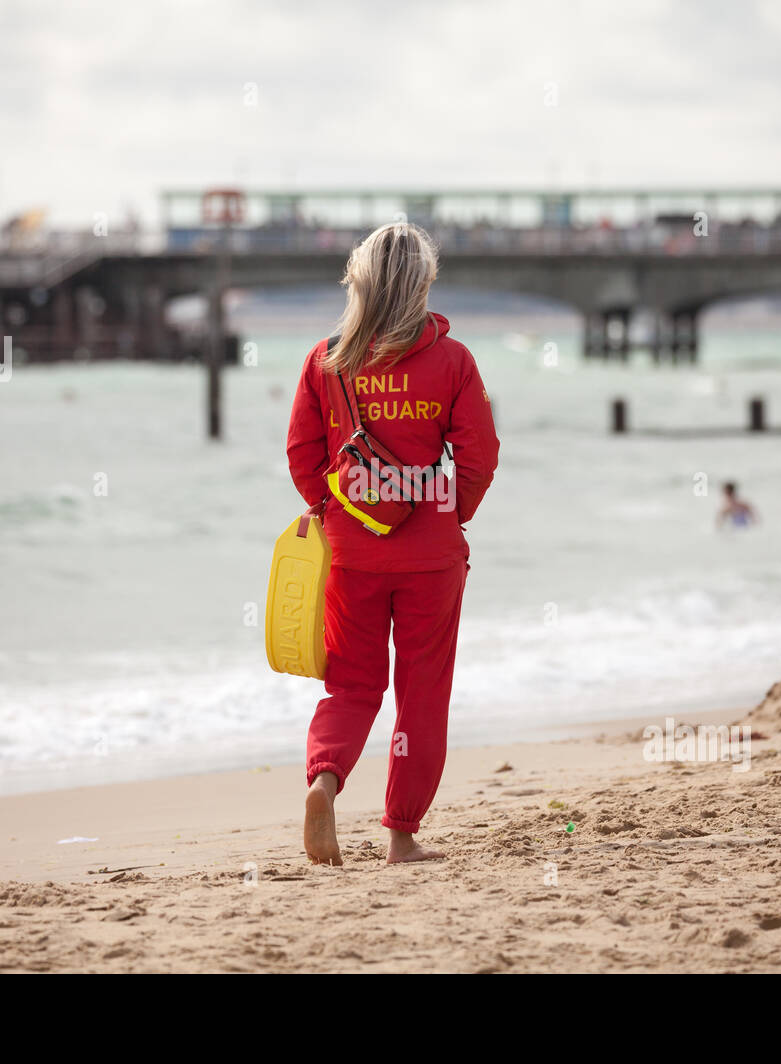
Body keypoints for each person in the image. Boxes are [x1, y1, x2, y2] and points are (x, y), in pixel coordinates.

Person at [285, 223, 499, 865]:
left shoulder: (326, 358)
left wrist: (333, 512)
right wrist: (448, 513)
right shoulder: (453, 361)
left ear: (360, 282)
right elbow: (480, 455)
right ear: (422, 284)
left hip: (353, 553)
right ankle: (401, 836)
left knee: (351, 686)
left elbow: (302, 455)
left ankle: (324, 781)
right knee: (422, 692)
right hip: (431, 555)